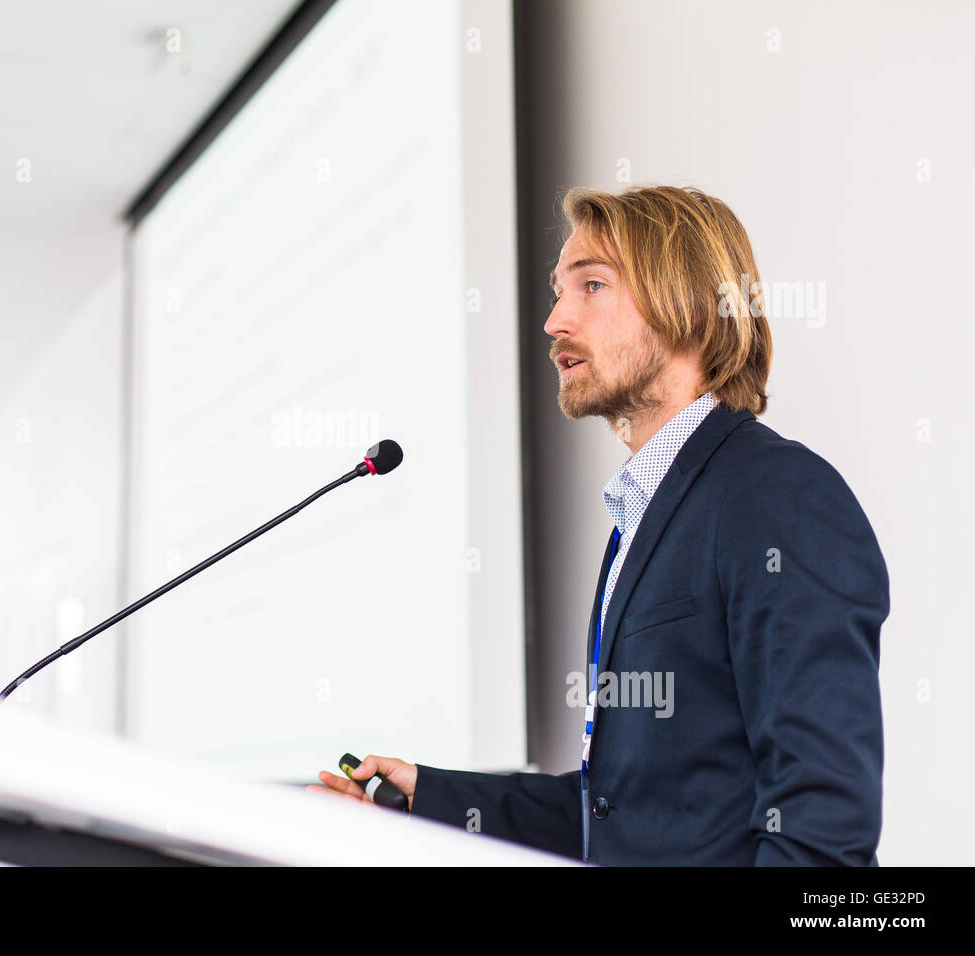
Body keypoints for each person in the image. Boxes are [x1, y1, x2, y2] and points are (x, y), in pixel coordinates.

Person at [309, 185, 889, 866]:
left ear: (691, 305)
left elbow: (822, 831)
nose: (555, 320)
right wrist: (422, 804)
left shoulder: (780, 496)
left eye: (591, 285)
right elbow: (620, 814)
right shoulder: (640, 520)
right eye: (559, 291)